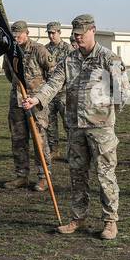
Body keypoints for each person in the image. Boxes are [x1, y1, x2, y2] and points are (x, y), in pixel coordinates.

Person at [22, 14, 128, 240]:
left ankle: (110, 222)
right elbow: (53, 83)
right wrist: (37, 99)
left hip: (101, 130)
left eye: (80, 35)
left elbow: (124, 91)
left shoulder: (109, 59)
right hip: (76, 128)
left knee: (105, 175)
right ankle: (78, 218)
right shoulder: (69, 59)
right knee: (77, 175)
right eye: (74, 35)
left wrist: (109, 110)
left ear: (93, 31)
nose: (77, 39)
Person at [3, 20, 54, 191]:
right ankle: (21, 176)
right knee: (18, 140)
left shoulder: (39, 50)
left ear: (27, 33)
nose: (16, 37)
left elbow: (53, 74)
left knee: (39, 140)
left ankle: (43, 177)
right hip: (16, 103)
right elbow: (9, 75)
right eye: (14, 35)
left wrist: (38, 95)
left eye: (19, 34)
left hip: (36, 103)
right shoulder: (10, 52)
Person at [44, 21, 73, 158]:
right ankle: (54, 150)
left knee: (68, 123)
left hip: (64, 92)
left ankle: (72, 151)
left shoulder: (69, 49)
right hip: (49, 93)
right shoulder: (43, 50)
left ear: (59, 32)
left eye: (53, 33)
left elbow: (75, 70)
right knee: (50, 123)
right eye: (49, 33)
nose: (51, 35)